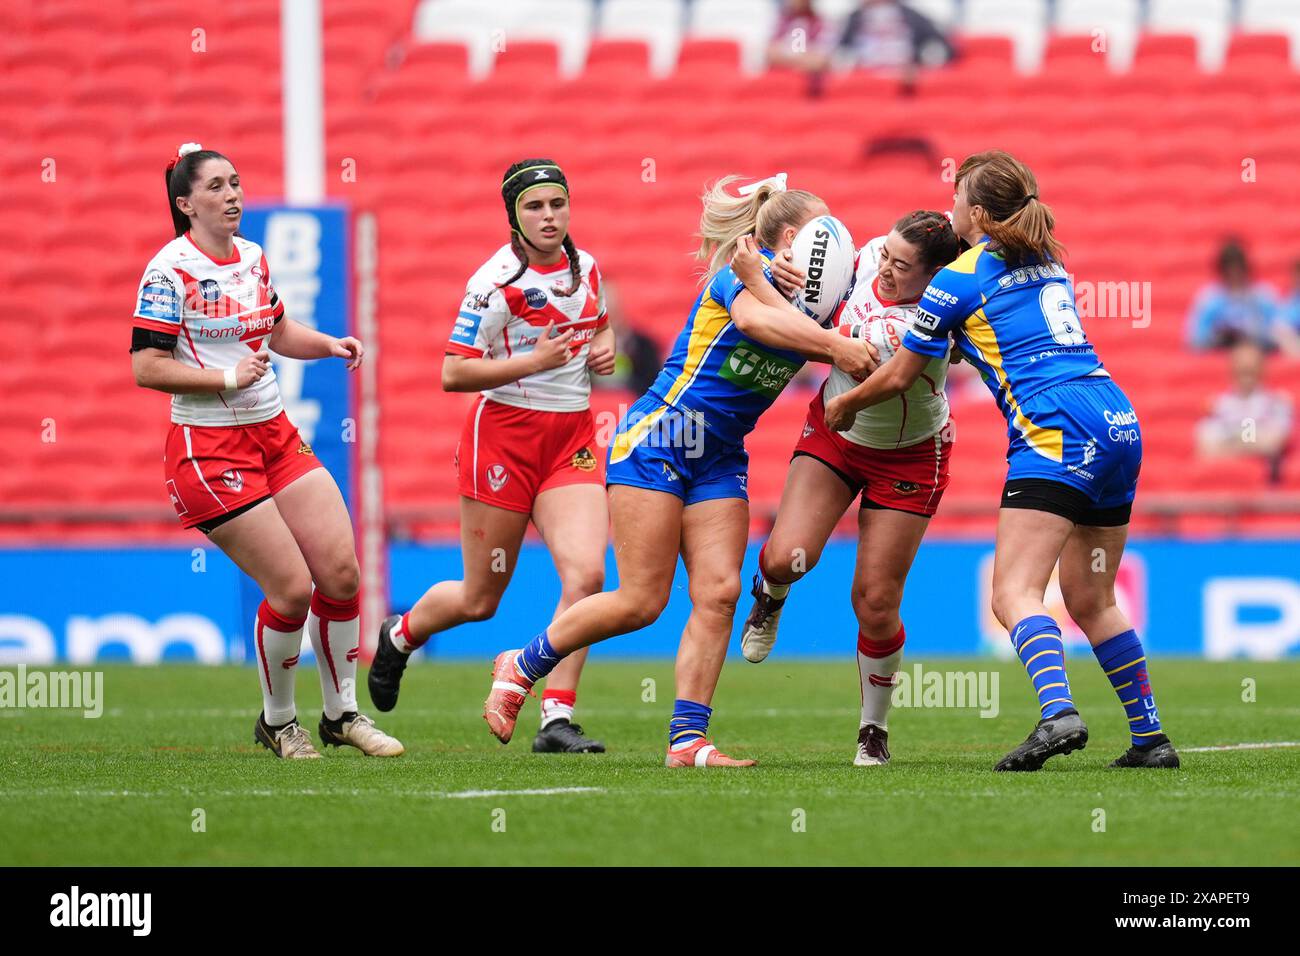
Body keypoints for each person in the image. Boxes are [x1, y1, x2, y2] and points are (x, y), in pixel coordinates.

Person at [480, 173, 875, 766]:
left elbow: (820, 326)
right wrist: (835, 347)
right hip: (661, 438)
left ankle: (687, 740)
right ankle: (524, 662)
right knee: (642, 600)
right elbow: (757, 327)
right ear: (794, 237)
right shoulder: (737, 277)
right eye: (826, 230)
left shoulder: (811, 301)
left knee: (719, 592)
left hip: (719, 453)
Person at [826, 149, 1180, 771]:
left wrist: (846, 404)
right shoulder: (1046, 259)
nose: (949, 203)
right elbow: (996, 338)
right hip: (1116, 415)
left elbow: (903, 374)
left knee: (1013, 590)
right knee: (1091, 596)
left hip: (1054, 426)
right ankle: (1150, 737)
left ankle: (1057, 714)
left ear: (980, 213)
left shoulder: (956, 280)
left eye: (958, 196)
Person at [131, 143, 401, 759]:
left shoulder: (252, 257)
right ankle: (279, 722)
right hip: (209, 450)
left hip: (274, 433)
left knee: (341, 572)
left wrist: (329, 344)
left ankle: (342, 715)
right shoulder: (167, 271)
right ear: (185, 203)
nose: (233, 195)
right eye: (217, 186)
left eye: (236, 182)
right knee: (291, 588)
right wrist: (227, 379)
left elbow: (275, 331)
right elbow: (147, 367)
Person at [367, 159, 614, 754]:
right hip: (502, 440)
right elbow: (454, 372)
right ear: (514, 215)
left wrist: (602, 348)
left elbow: (598, 328)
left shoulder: (588, 270)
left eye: (557, 203)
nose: (549, 215)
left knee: (587, 576)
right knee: (481, 600)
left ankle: (555, 717)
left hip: (570, 441)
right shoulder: (493, 282)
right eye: (535, 206)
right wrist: (532, 363)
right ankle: (400, 636)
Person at [732, 210, 959, 767]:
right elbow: (817, 293)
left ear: (934, 278)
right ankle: (770, 594)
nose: (884, 268)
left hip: (908, 451)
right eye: (885, 254)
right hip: (837, 438)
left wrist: (756, 283)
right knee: (786, 559)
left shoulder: (931, 317)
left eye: (901, 266)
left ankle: (872, 730)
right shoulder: (874, 257)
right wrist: (785, 265)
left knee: (875, 602)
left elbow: (835, 349)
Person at [1196, 338, 1292, 481]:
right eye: (1241, 364)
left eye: (1251, 364)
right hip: (1223, 481)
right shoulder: (1216, 406)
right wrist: (1255, 444)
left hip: (1266, 482)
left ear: (1262, 367)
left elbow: (1274, 443)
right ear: (1232, 367)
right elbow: (1207, 448)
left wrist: (1230, 443)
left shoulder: (1277, 403)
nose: (1246, 367)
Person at [1185, 240, 1280, 351]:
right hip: (1219, 351)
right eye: (1229, 268)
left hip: (1256, 350)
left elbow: (1279, 330)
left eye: (1238, 267)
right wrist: (1219, 337)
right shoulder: (1209, 298)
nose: (1234, 272)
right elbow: (1195, 338)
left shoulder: (1262, 296)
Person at [838, 0, 953, 73]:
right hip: (865, 79)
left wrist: (920, 63)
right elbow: (839, 51)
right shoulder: (853, 18)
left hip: (905, 77)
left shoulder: (913, 16)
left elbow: (943, 47)